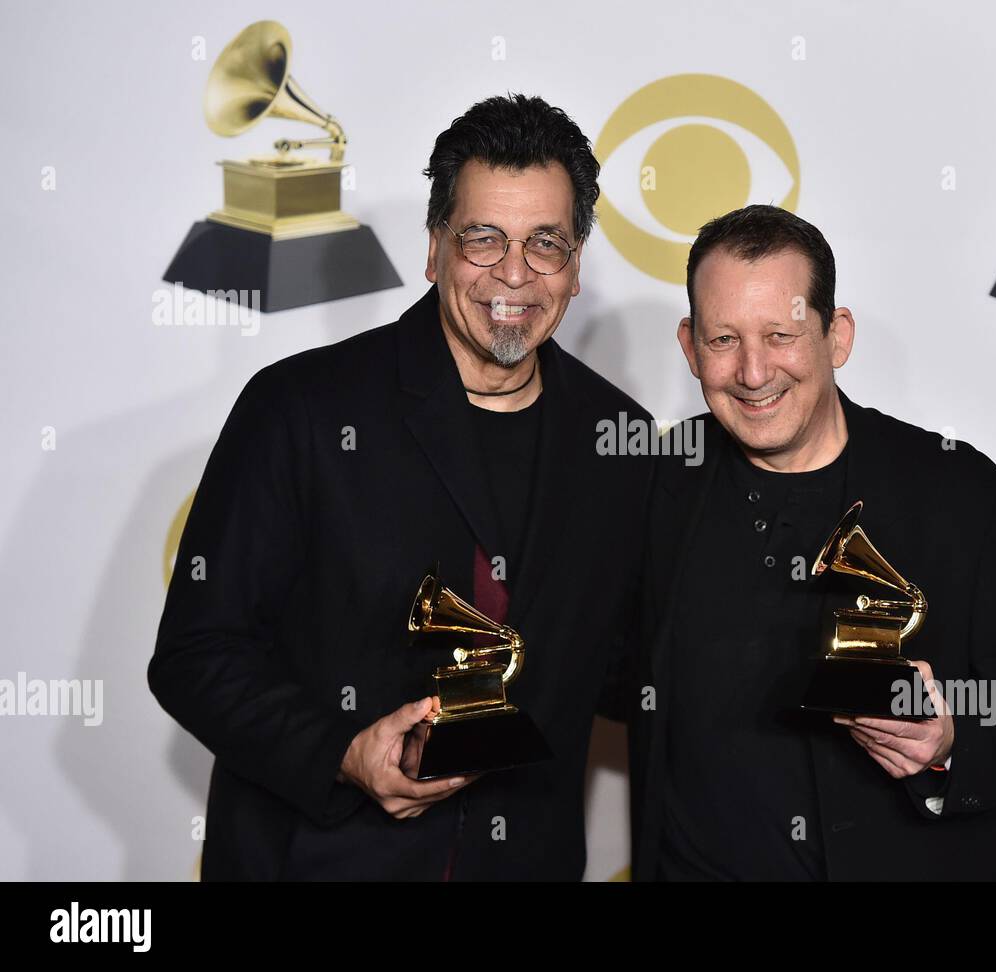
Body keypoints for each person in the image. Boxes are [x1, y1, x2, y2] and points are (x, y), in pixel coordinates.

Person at [150, 94, 652, 880]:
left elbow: (633, 670)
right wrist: (342, 753)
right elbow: (195, 652)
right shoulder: (301, 409)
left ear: (576, 262)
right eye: (483, 238)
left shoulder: (618, 436)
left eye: (545, 243)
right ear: (434, 249)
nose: (513, 273)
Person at [627, 204, 996, 880]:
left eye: (781, 335)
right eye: (724, 340)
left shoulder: (962, 493)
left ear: (836, 336)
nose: (754, 373)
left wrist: (950, 733)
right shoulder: (649, 490)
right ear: (690, 346)